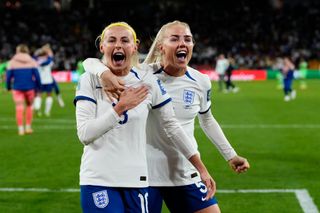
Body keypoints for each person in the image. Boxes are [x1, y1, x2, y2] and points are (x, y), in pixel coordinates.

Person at [84, 20, 250, 213]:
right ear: (162, 46)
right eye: (175, 38)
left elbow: (207, 120)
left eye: (187, 39)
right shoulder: (144, 74)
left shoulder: (201, 81)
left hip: (184, 170)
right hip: (146, 174)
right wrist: (104, 73)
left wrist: (230, 155)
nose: (182, 43)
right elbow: (90, 61)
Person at [6, 44, 41, 135]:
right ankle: (28, 127)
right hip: (30, 88)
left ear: (17, 51)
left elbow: (8, 77)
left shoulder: (12, 62)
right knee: (29, 106)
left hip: (17, 88)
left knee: (19, 107)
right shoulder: (32, 61)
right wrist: (38, 88)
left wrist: (8, 87)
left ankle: (21, 129)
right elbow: (37, 76)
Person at [33, 44, 59, 116]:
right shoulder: (49, 60)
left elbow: (34, 56)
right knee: (49, 95)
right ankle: (47, 112)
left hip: (39, 80)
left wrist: (42, 50)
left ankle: (38, 110)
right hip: (48, 80)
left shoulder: (36, 60)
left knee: (38, 95)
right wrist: (49, 53)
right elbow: (50, 61)